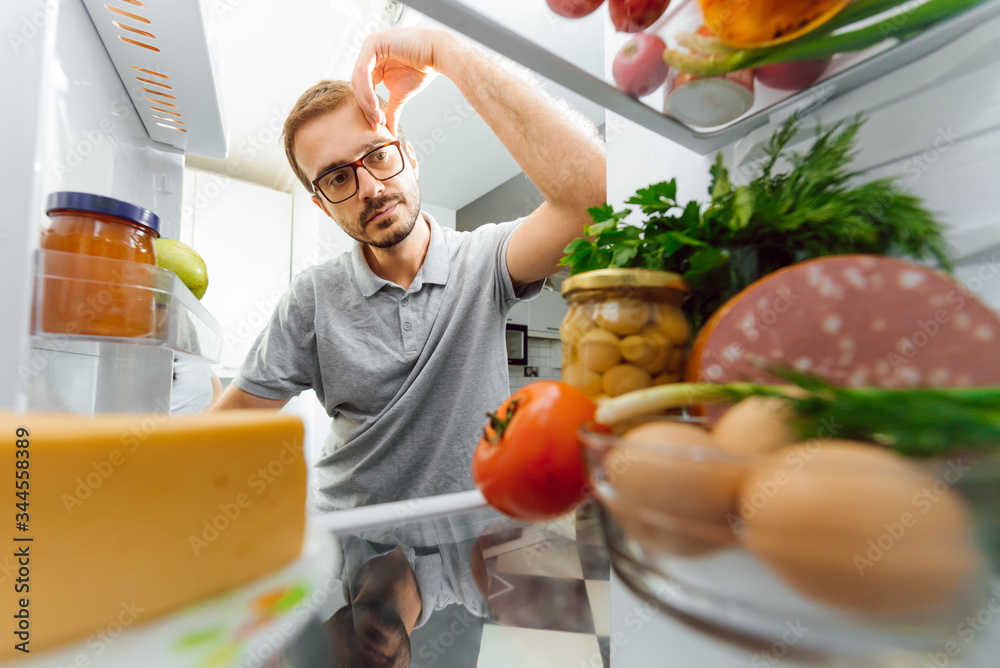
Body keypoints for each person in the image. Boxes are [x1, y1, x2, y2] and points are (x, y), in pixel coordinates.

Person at [213, 26, 605, 510]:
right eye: (338, 177)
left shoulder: (485, 261)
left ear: (409, 158)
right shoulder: (310, 300)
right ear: (322, 207)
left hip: (473, 544)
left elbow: (593, 203)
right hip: (353, 555)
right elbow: (221, 434)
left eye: (378, 154)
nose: (371, 188)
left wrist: (447, 51)